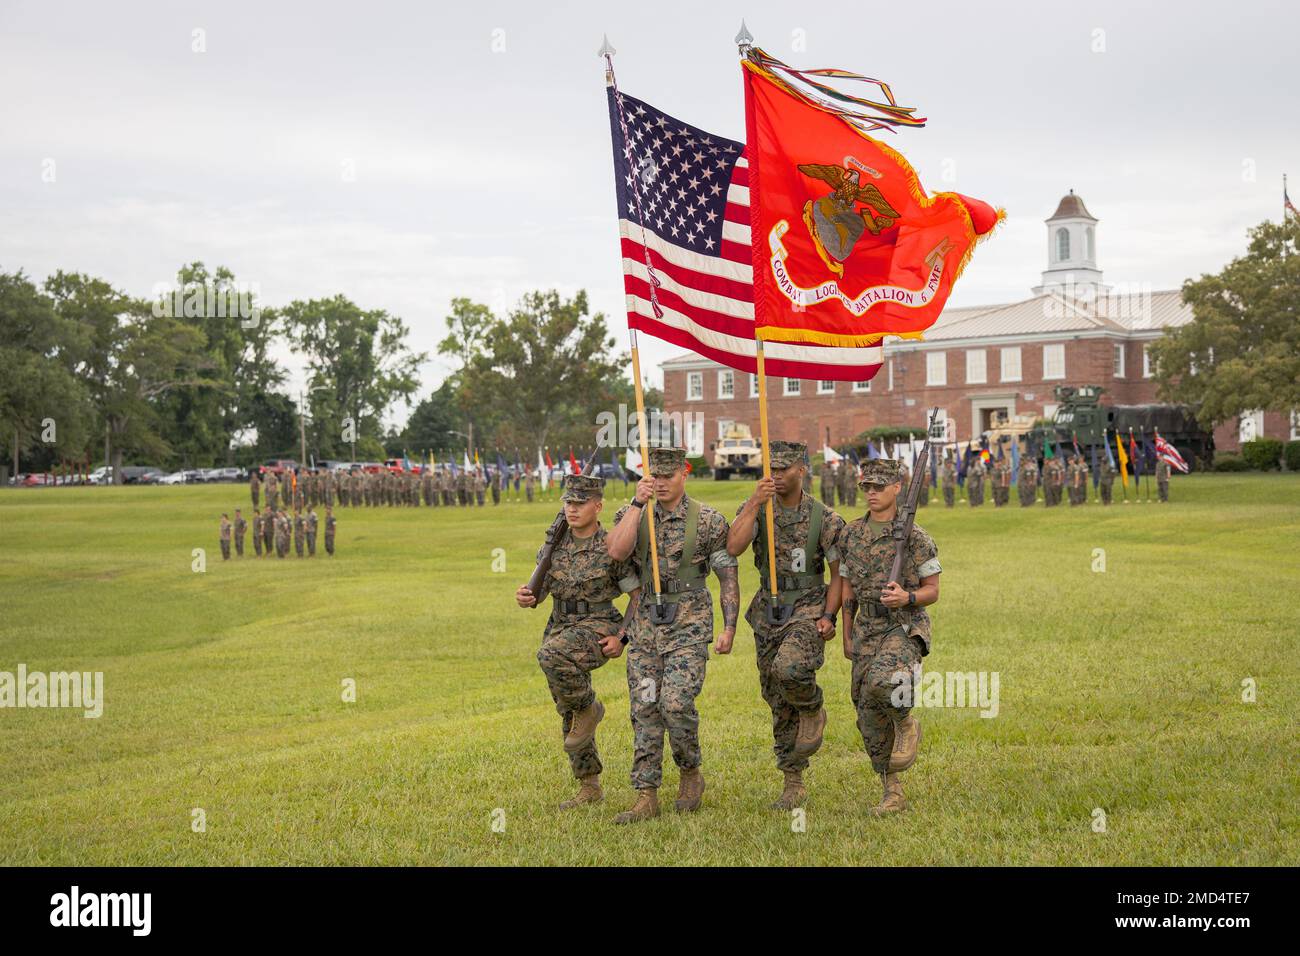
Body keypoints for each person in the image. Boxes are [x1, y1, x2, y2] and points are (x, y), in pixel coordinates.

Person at [606, 447, 738, 824]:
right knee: (645, 708)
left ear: (684, 474)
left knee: (676, 703)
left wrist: (728, 627)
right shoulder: (631, 514)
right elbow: (616, 552)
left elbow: (726, 575)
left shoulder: (709, 521)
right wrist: (636, 503)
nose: (661, 483)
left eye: (668, 476)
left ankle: (690, 771)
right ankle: (645, 794)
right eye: (654, 476)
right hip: (645, 628)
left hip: (689, 626)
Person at [726, 441, 845, 809]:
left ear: (801, 470)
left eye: (784, 469)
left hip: (808, 605)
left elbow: (839, 573)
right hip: (768, 610)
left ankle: (813, 707)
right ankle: (793, 779)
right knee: (776, 696)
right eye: (771, 469)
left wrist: (829, 615)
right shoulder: (759, 510)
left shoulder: (825, 518)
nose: (776, 475)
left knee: (789, 668)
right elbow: (733, 547)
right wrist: (752, 503)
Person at [516, 474, 640, 810]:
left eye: (580, 503)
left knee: (550, 656)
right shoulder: (554, 544)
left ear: (597, 506)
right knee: (568, 712)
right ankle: (589, 786)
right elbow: (540, 592)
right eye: (568, 503)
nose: (572, 509)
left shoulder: (612, 545)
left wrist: (622, 637)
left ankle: (591, 708)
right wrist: (528, 596)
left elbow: (638, 597)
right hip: (561, 623)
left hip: (598, 624)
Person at [838, 459, 941, 816]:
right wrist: (846, 633)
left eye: (879, 487)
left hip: (902, 624)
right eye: (866, 486)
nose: (871, 493)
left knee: (885, 682)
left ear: (897, 488)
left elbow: (933, 590)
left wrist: (908, 597)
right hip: (866, 627)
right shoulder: (850, 534)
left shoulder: (915, 536)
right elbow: (847, 586)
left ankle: (906, 721)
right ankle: (892, 790)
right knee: (866, 711)